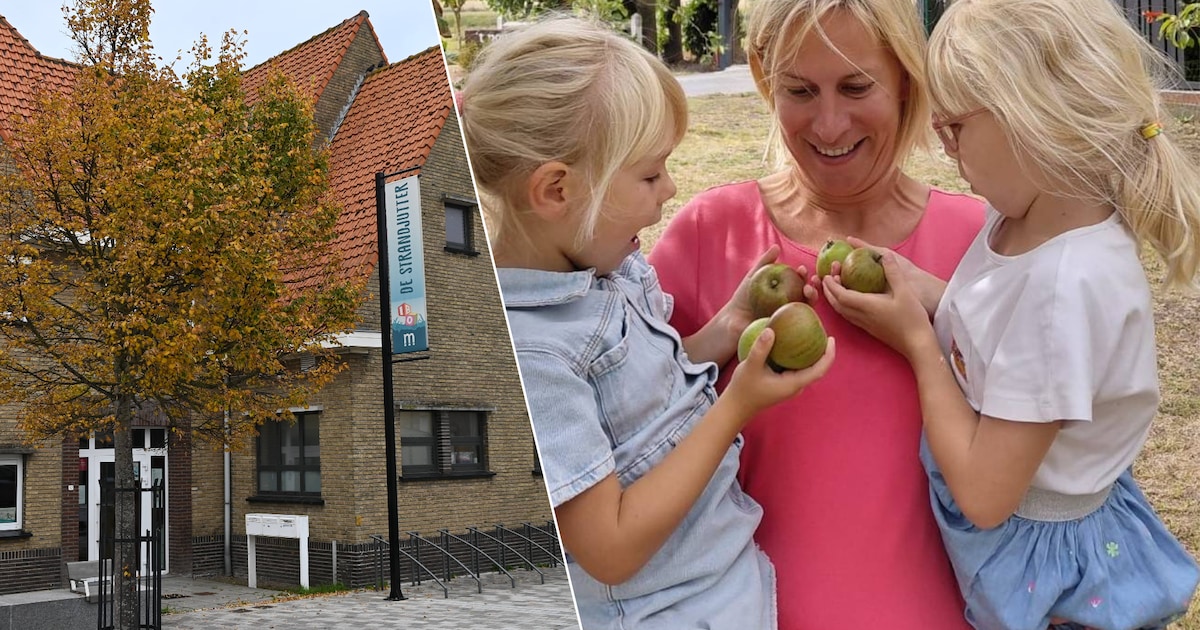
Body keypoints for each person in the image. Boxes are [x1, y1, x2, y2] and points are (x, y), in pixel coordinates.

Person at [823, 0, 1200, 627]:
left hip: (1049, 587)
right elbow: (998, 327)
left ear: (1032, 117)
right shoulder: (1025, 221)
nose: (943, 147)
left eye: (955, 128)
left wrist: (918, 343)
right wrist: (923, 291)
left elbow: (984, 493)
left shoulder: (1065, 289)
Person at [459, 17, 836, 629]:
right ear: (556, 191)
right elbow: (609, 548)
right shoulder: (535, 355)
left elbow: (647, 390)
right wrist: (734, 407)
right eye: (650, 174)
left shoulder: (612, 266)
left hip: (725, 583)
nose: (671, 188)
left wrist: (731, 324)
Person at [648, 0, 985, 627]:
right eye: (800, 91)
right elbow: (619, 440)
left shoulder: (980, 244)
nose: (829, 126)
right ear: (764, 80)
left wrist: (942, 321)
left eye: (856, 87)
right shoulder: (709, 232)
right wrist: (717, 338)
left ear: (906, 80)